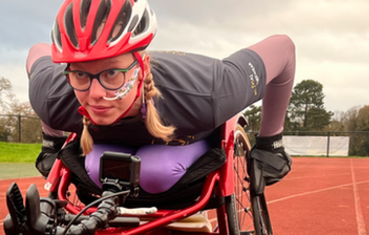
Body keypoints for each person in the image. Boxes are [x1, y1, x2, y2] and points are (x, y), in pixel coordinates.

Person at [26, 0, 295, 196]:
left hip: (181, 138)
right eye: (81, 76)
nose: (95, 94)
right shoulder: (53, 96)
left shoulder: (210, 90)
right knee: (96, 167)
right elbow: (37, 51)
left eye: (111, 73)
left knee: (156, 171)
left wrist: (271, 143)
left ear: (142, 67)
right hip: (106, 153)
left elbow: (283, 48)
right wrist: (52, 141)